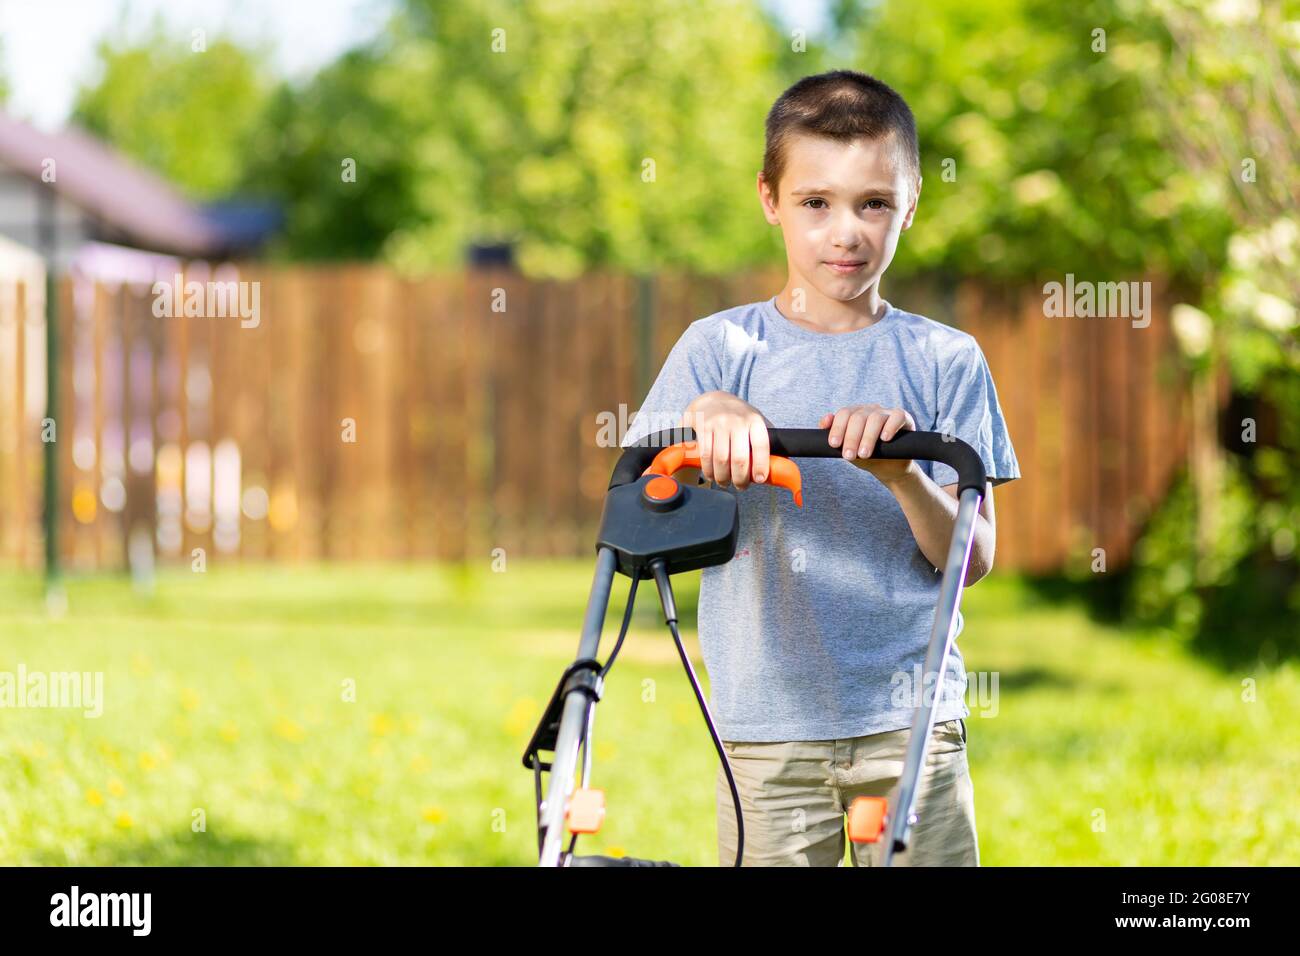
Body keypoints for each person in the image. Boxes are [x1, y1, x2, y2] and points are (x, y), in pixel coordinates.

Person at [620, 70, 1021, 866]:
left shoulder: (945, 360)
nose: (846, 233)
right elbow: (639, 510)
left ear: (910, 205)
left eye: (874, 203)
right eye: (816, 203)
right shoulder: (720, 350)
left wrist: (903, 473)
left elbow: (970, 561)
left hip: (909, 727)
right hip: (765, 730)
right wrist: (707, 422)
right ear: (770, 199)